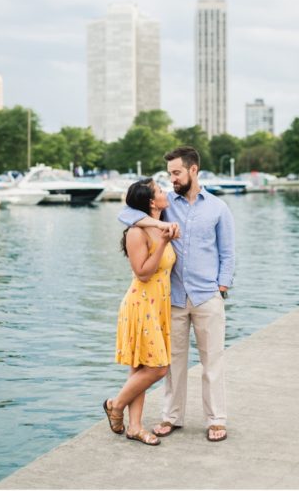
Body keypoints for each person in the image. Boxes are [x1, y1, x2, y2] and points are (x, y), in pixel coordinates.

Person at [118, 146, 236, 442]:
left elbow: (228, 252)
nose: (172, 179)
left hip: (207, 295)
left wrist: (222, 287)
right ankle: (172, 416)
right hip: (173, 298)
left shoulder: (218, 207)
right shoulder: (166, 202)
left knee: (213, 361)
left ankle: (216, 419)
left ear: (193, 170)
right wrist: (160, 223)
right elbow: (126, 213)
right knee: (173, 364)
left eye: (176, 172)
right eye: (169, 174)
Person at [103, 178, 175, 446]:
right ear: (151, 202)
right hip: (141, 304)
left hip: (159, 306)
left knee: (140, 367)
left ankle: (134, 427)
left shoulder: (158, 224)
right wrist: (165, 245)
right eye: (159, 190)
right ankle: (116, 404)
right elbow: (143, 273)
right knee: (158, 368)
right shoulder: (137, 232)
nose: (165, 191)